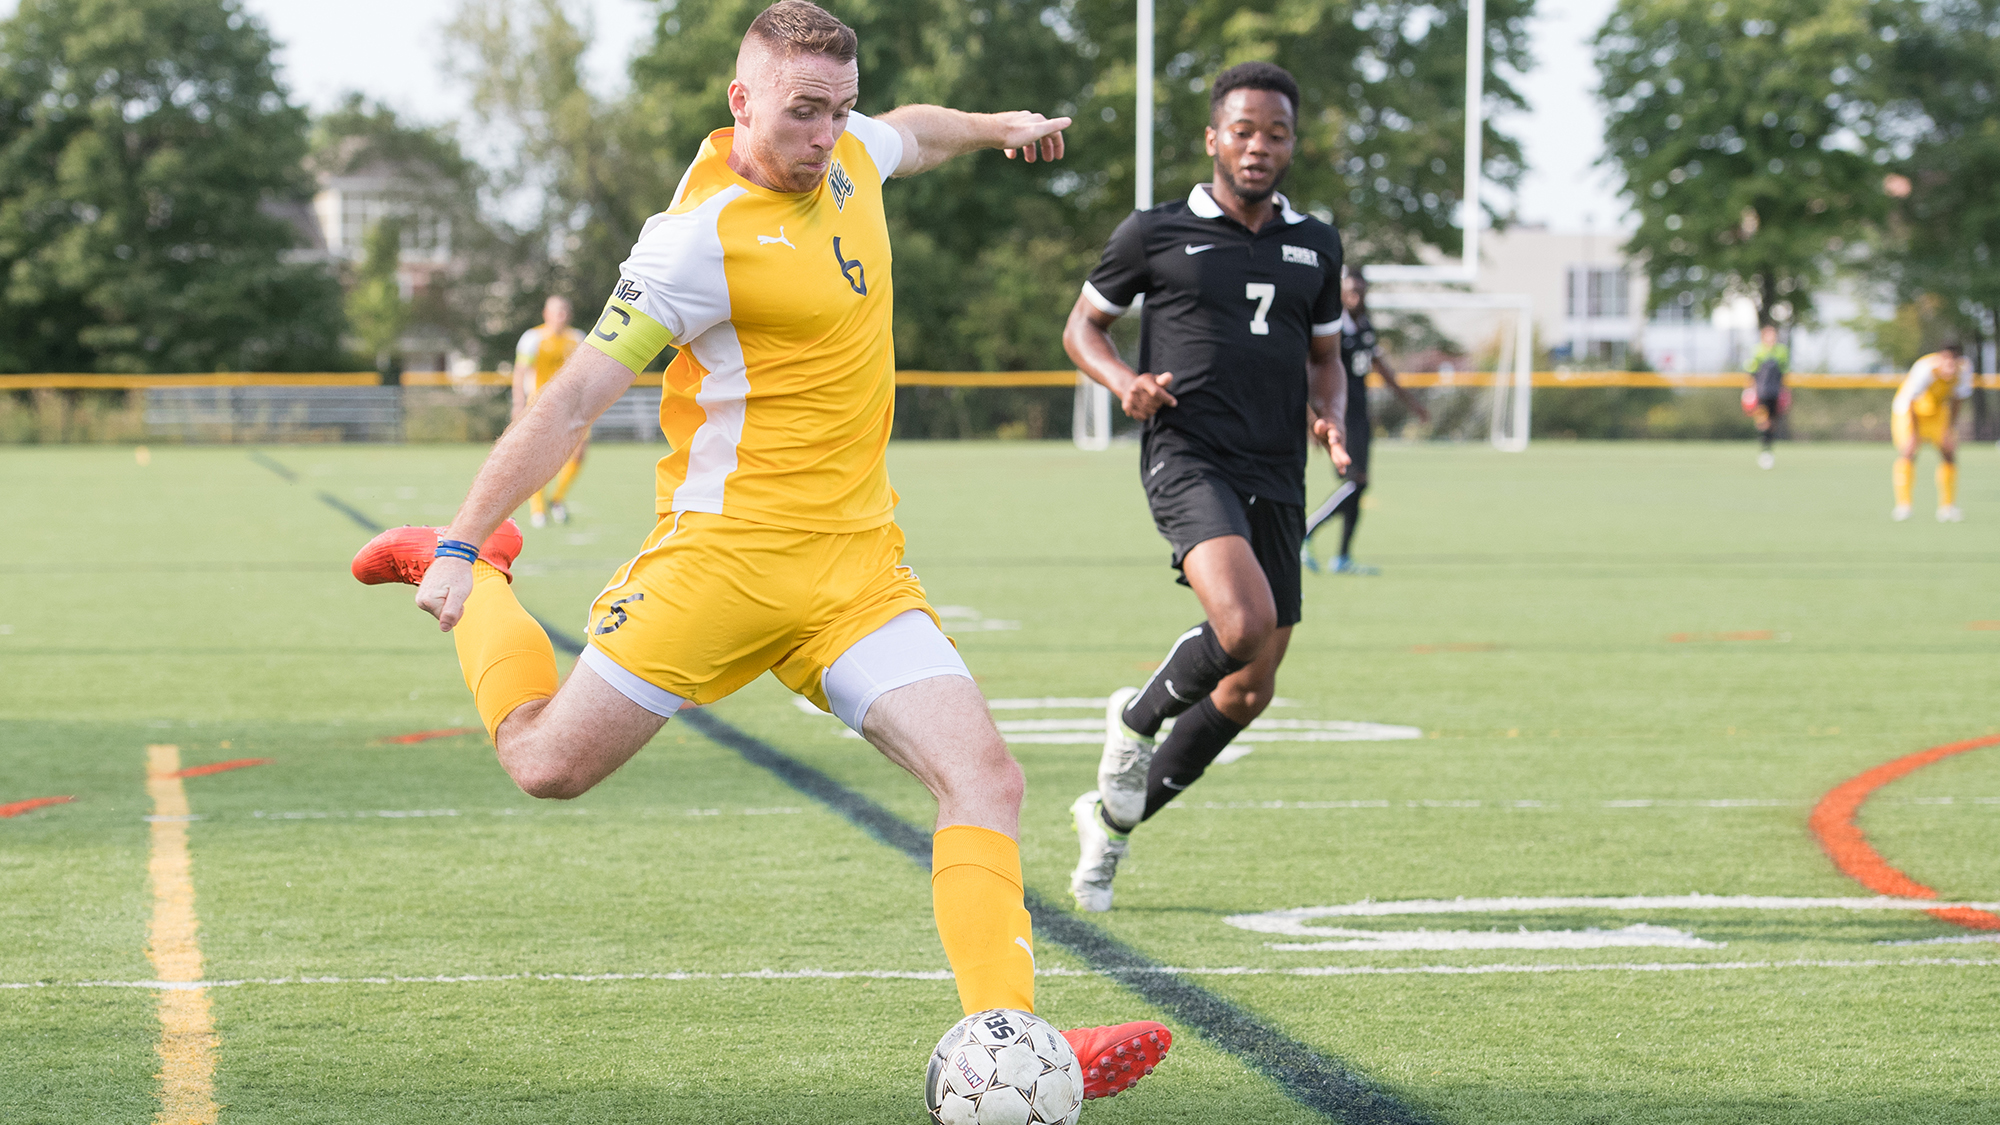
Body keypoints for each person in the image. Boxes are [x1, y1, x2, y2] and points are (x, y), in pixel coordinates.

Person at [348, 1, 1169, 1097]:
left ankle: (1011, 1044)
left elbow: (908, 133)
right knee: (543, 764)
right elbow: (576, 397)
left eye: (837, 108)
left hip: (857, 572)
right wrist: (457, 540)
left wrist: (991, 125)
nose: (824, 133)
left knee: (985, 778)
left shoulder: (850, 154)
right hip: (722, 566)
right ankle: (487, 576)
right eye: (800, 112)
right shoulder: (694, 241)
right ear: (741, 101)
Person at [1060, 61, 1348, 912]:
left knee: (1250, 686)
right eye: (1246, 130)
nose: (1261, 147)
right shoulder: (1154, 232)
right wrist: (1124, 384)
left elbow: (1326, 361)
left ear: (1293, 145)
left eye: (1278, 133)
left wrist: (1328, 418)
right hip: (1188, 453)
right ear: (1216, 138)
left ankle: (1110, 828)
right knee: (1242, 621)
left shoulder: (1317, 245)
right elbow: (1084, 326)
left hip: (1276, 470)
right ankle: (1134, 722)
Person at [1302, 269, 1429, 574]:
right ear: (1341, 293)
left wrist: (1411, 404)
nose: (1357, 297)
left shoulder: (1364, 325)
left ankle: (1343, 557)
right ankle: (1305, 532)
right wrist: (1313, 417)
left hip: (1360, 415)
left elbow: (1381, 367)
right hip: (1339, 415)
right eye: (1351, 291)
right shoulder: (1331, 327)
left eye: (1361, 291)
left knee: (1359, 485)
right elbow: (1313, 368)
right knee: (1355, 482)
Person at [512, 296, 588, 526]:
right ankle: (537, 509)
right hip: (541, 406)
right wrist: (518, 404)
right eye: (556, 311)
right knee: (541, 456)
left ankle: (557, 499)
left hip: (572, 406)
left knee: (579, 453)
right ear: (546, 314)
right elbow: (520, 372)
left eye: (565, 311)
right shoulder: (533, 338)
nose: (561, 316)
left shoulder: (577, 338)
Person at [1891, 344, 1970, 522]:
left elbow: (1958, 399)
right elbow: (1911, 400)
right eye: (1946, 360)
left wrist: (1950, 429)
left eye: (1953, 361)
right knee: (1909, 452)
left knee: (1948, 453)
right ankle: (1903, 506)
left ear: (1959, 361)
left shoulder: (1965, 370)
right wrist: (1913, 435)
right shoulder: (1925, 368)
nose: (1949, 365)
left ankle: (1948, 507)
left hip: (1937, 413)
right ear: (1939, 358)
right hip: (1909, 411)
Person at [1744, 323, 1790, 470]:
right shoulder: (1757, 351)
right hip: (1762, 392)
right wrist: (1749, 391)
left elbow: (1784, 374)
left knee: (1773, 422)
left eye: (1774, 335)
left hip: (1775, 392)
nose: (1772, 338)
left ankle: (1769, 449)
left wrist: (1786, 392)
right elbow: (1751, 373)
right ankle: (1764, 451)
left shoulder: (1781, 352)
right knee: (1763, 421)